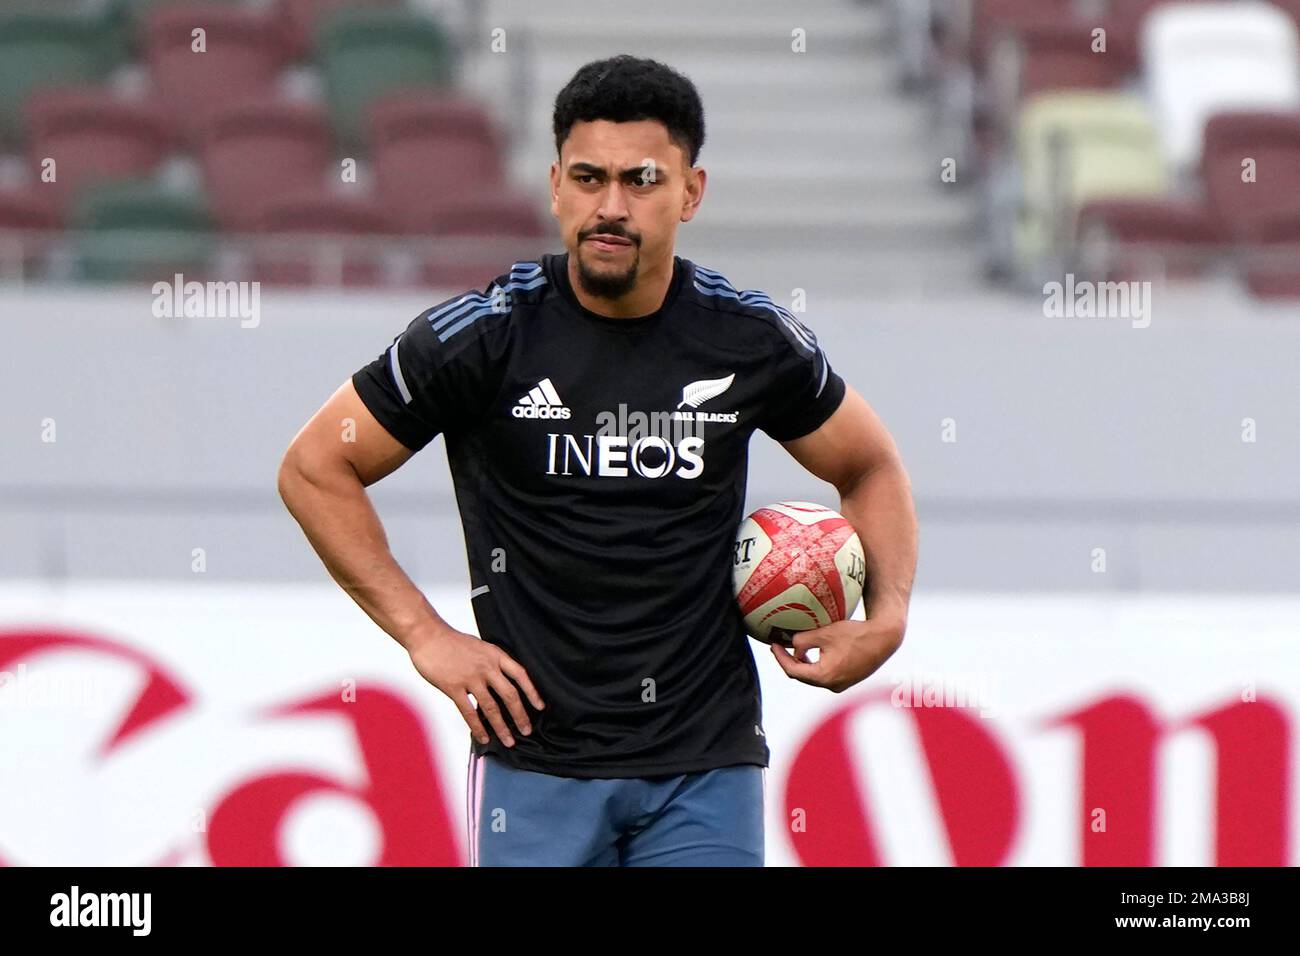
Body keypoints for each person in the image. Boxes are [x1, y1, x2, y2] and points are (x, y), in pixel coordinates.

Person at [277, 55, 918, 866]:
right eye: (588, 178)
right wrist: (425, 635)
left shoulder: (749, 339)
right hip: (533, 763)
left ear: (691, 192)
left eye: (642, 180)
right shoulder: (483, 336)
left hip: (703, 764)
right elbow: (312, 469)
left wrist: (887, 618)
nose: (610, 207)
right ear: (554, 186)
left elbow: (870, 464)